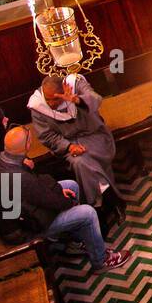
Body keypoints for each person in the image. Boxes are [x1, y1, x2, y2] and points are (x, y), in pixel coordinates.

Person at [0, 125, 130, 272]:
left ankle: (76, 242)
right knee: (88, 213)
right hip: (23, 230)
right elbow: (51, 200)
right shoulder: (21, 178)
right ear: (27, 145)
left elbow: (36, 190)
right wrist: (68, 201)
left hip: (20, 212)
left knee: (71, 185)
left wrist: (55, 190)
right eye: (29, 137)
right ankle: (101, 261)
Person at [27, 72, 120, 209]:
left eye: (56, 99)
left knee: (87, 161)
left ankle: (97, 204)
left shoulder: (75, 84)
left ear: (64, 89)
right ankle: (103, 202)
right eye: (48, 99)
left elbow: (96, 99)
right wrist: (69, 146)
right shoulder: (37, 105)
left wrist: (76, 100)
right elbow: (47, 136)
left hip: (93, 135)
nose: (51, 104)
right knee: (80, 162)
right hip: (67, 143)